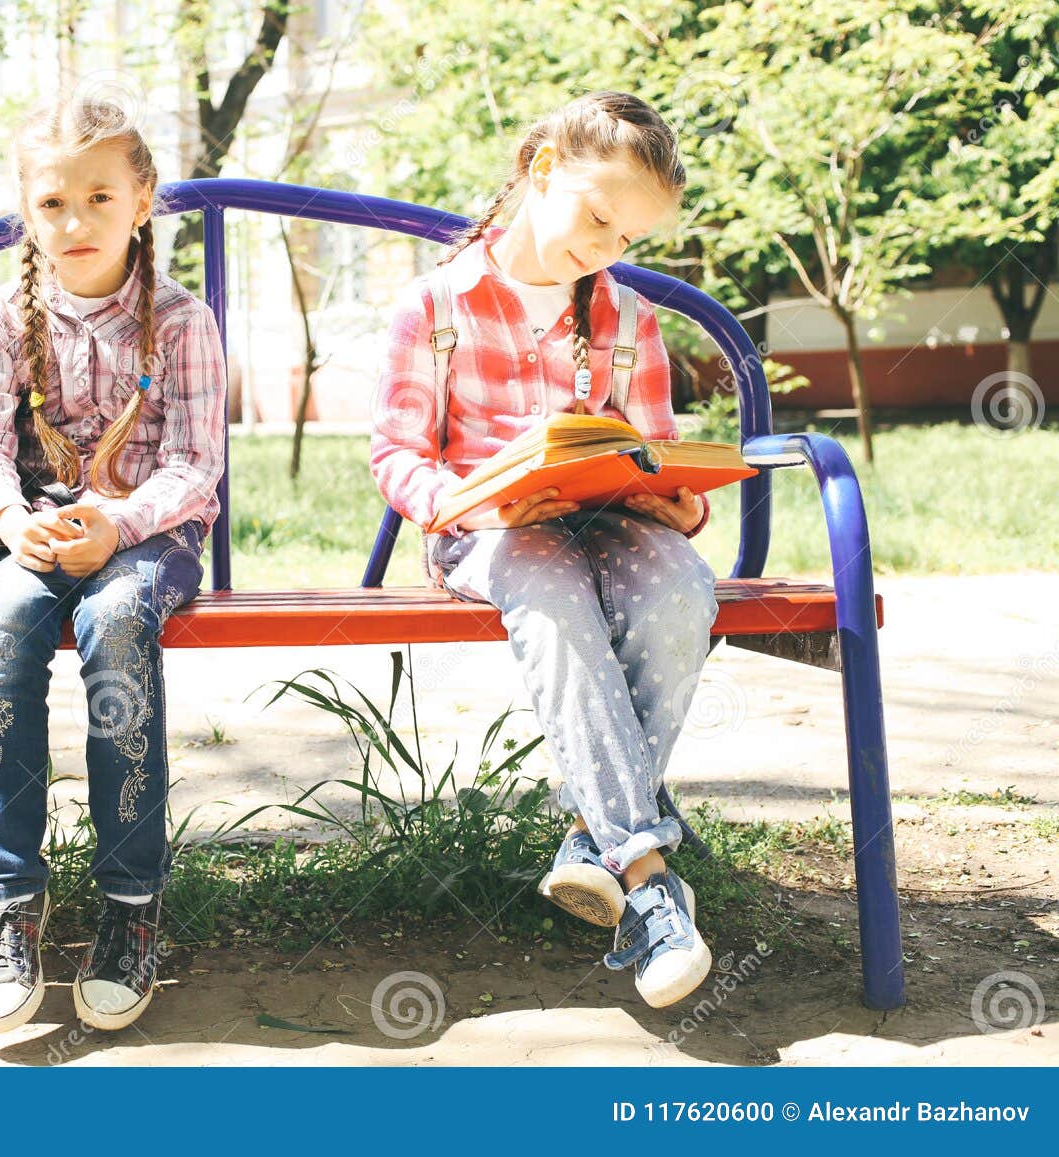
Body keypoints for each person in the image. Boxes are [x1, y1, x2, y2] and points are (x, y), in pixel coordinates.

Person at [370, 90, 717, 1008]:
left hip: (610, 524)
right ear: (541, 170)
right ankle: (646, 879)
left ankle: (588, 829)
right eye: (598, 219)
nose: (606, 250)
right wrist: (470, 500)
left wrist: (675, 502)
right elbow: (398, 456)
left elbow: (646, 447)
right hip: (491, 537)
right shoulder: (437, 305)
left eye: (627, 239)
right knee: (553, 586)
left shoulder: (627, 318)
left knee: (682, 589)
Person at [0, 94, 226, 1033]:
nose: (75, 222)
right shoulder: (5, 317)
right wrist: (6, 515)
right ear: (28, 209)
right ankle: (11, 901)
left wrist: (123, 521)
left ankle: (131, 904)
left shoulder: (180, 321)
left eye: (99, 199)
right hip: (40, 525)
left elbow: (196, 461)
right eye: (53, 202)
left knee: (113, 621)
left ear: (141, 201)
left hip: (152, 534)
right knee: (8, 621)